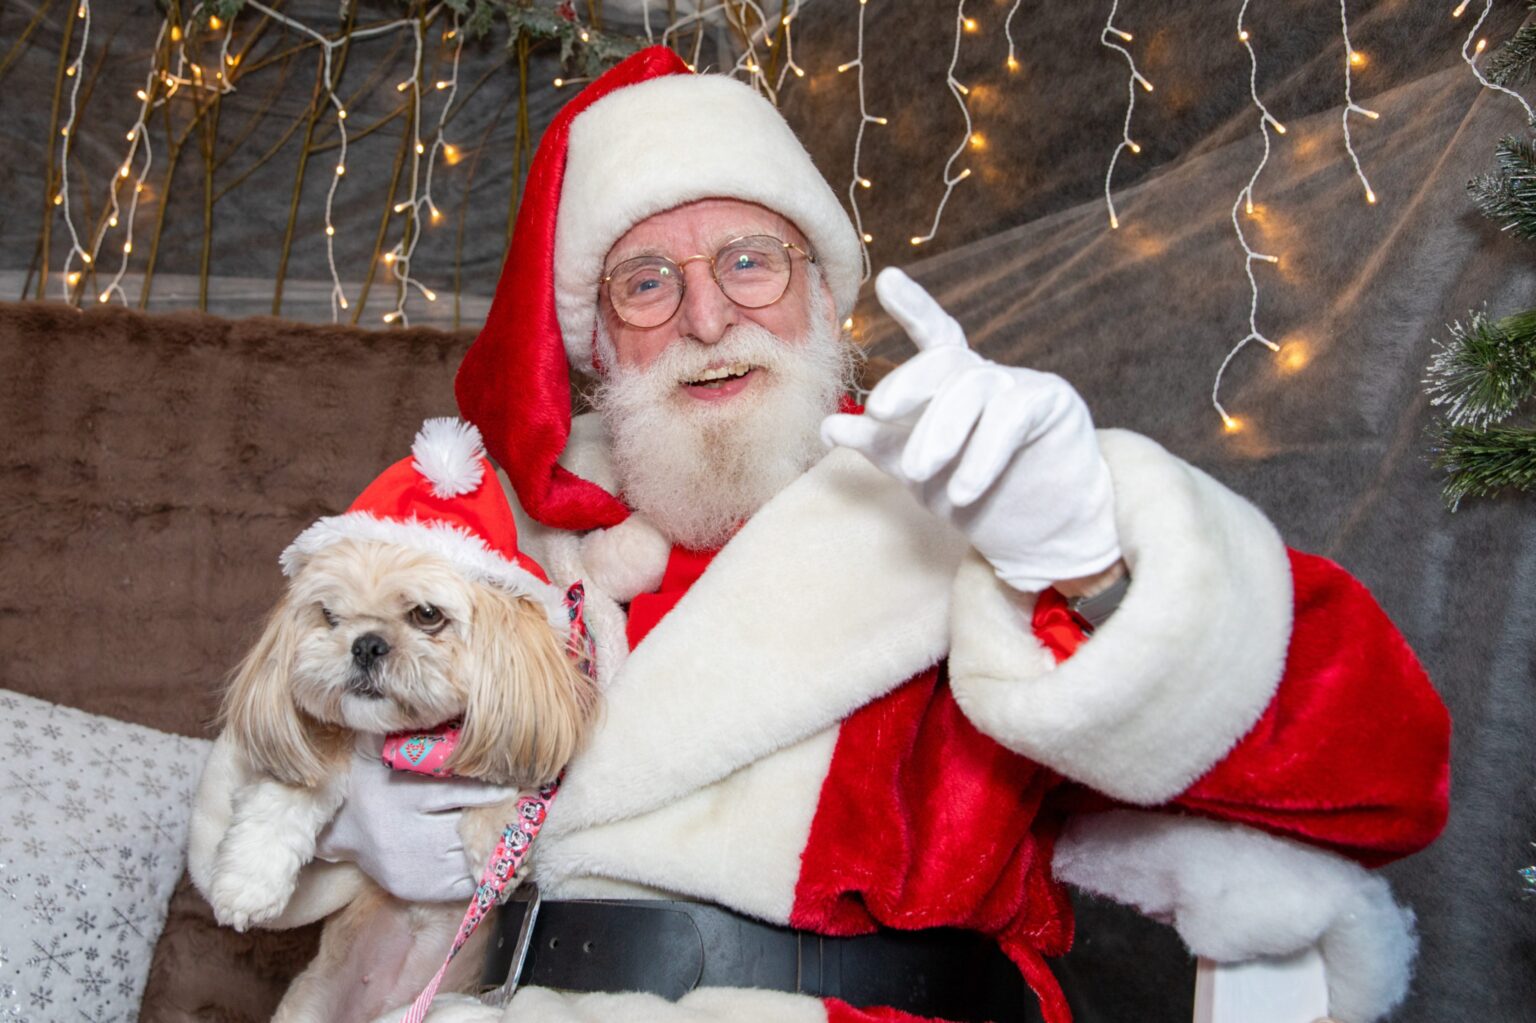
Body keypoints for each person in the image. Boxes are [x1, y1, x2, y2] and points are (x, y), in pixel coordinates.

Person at [189, 47, 1449, 1023]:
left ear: (822, 293)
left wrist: (1090, 568)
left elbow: (1385, 774)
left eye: (750, 260)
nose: (703, 316)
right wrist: (346, 799)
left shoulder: (977, 491)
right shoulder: (482, 536)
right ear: (594, 342)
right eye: (646, 281)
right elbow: (268, 752)